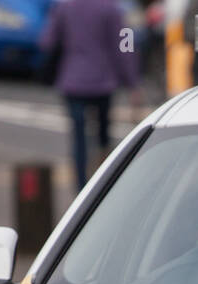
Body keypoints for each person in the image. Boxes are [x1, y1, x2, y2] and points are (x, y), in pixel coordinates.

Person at [40, 0, 141, 188]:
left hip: (73, 79)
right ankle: (103, 184)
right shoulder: (111, 8)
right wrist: (132, 83)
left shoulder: (65, 6)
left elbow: (47, 41)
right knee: (103, 135)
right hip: (103, 81)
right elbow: (123, 48)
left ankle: (81, 187)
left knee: (78, 138)